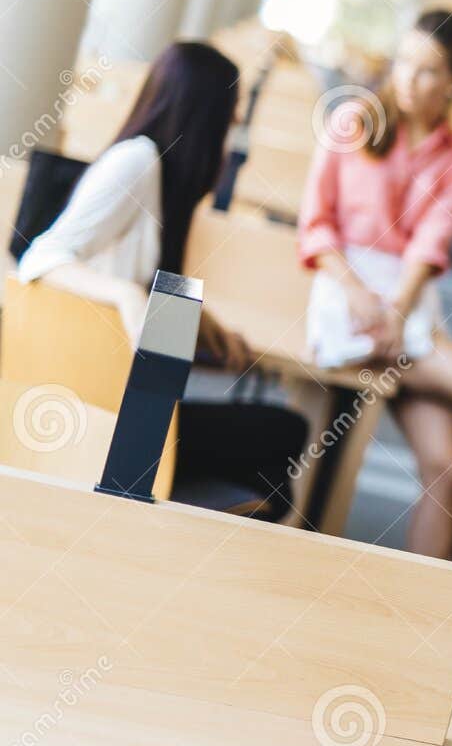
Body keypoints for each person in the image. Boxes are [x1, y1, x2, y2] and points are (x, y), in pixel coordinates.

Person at [298, 9, 452, 617]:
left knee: (445, 465)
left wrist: (396, 309)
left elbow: (431, 245)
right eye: (404, 63)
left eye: (428, 72)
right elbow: (316, 224)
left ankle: (413, 616)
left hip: (406, 310)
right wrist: (356, 292)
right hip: (343, 298)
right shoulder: (354, 120)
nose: (409, 79)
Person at [17, 42, 307, 515]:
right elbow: (40, 258)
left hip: (122, 403)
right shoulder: (136, 162)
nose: (233, 137)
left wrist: (202, 320)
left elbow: (149, 279)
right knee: (284, 434)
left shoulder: (160, 176)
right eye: (230, 119)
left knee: (272, 477)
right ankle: (158, 521)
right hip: (101, 409)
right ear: (201, 116)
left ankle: (170, 530)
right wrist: (128, 296)